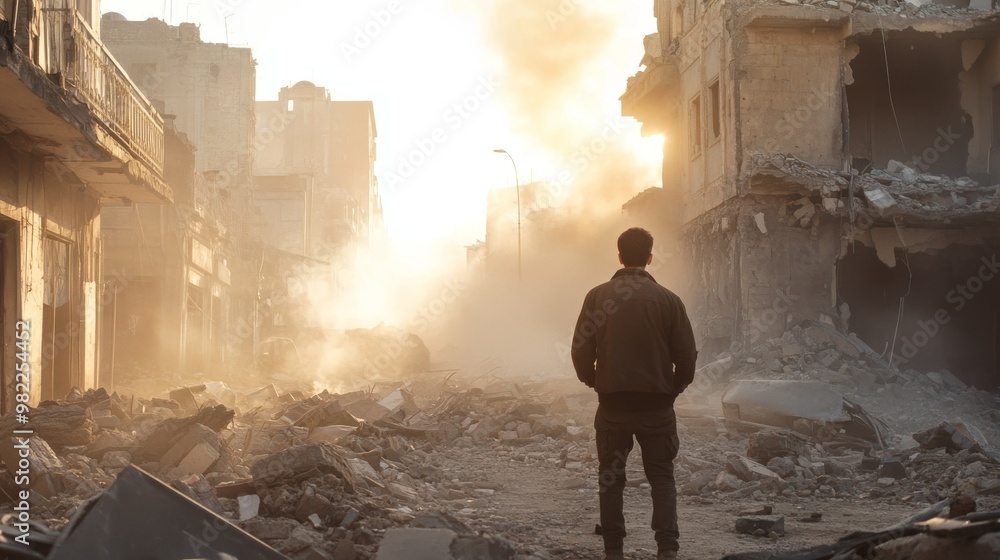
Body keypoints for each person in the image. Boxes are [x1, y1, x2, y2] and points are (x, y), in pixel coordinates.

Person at [571, 227, 698, 560]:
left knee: (611, 479)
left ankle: (614, 550)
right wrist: (672, 390)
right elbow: (687, 356)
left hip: (613, 406)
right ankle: (667, 550)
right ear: (650, 257)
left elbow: (580, 351)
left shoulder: (597, 296)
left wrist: (596, 381)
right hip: (657, 407)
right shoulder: (669, 300)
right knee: (662, 477)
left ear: (619, 256)